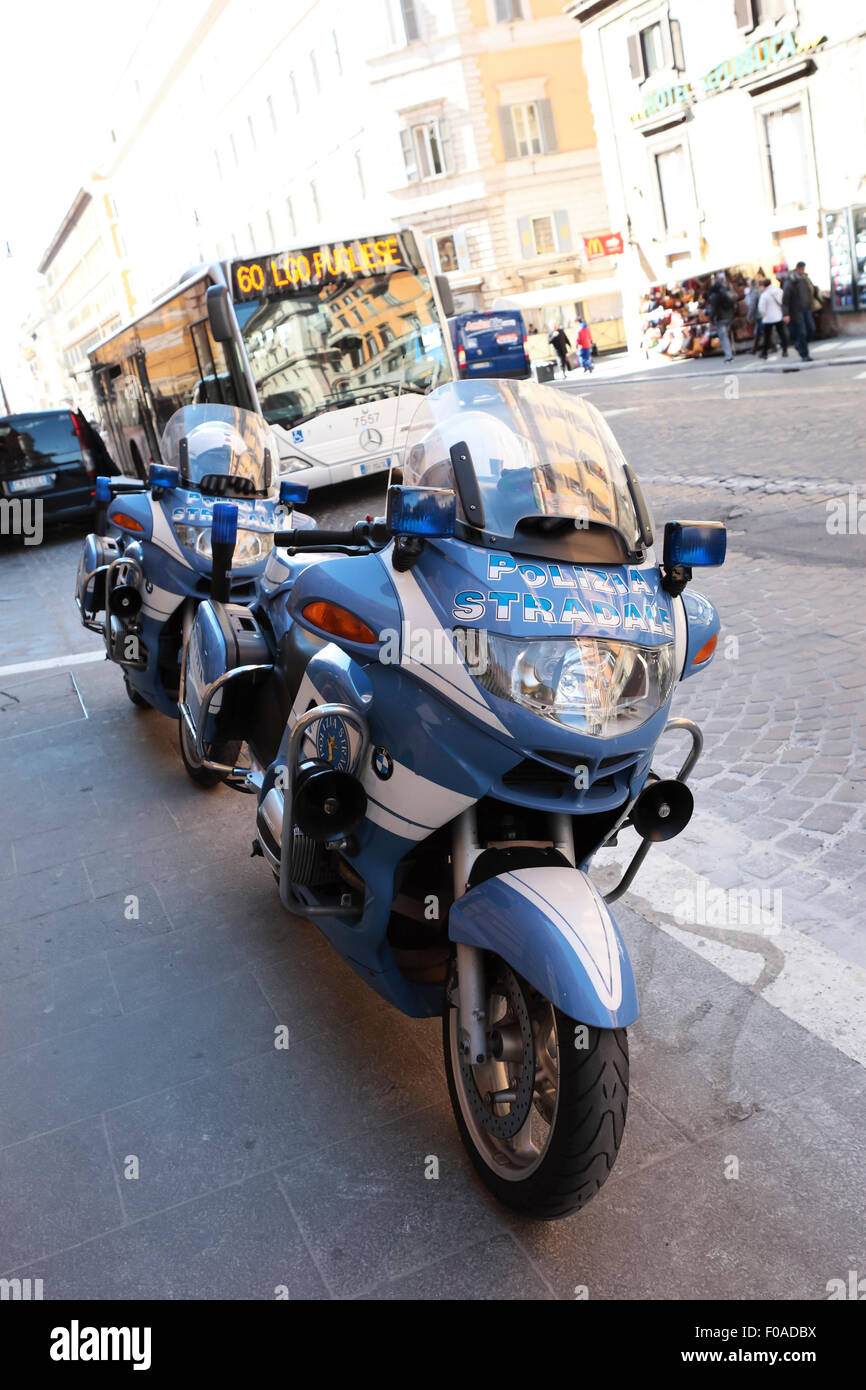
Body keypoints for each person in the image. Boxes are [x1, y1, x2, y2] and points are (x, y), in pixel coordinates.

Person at [782, 261, 813, 361]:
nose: (803, 271)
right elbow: (785, 300)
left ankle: (799, 345)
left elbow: (810, 290)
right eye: (802, 269)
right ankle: (805, 355)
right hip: (797, 311)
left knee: (811, 329)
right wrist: (786, 314)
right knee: (802, 333)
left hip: (807, 308)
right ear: (797, 269)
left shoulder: (805, 279)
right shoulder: (790, 282)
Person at [705, 273, 736, 363]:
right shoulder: (726, 295)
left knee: (723, 338)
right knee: (727, 336)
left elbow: (713, 310)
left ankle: (728, 356)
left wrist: (711, 320)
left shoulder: (715, 297)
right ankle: (731, 353)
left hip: (721, 319)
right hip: (729, 318)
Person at [756, 278, 789, 359]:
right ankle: (785, 350)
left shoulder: (764, 295)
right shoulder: (778, 290)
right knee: (782, 334)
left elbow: (761, 308)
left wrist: (764, 315)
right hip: (779, 315)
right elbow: (784, 301)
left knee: (767, 336)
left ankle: (765, 353)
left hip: (768, 318)